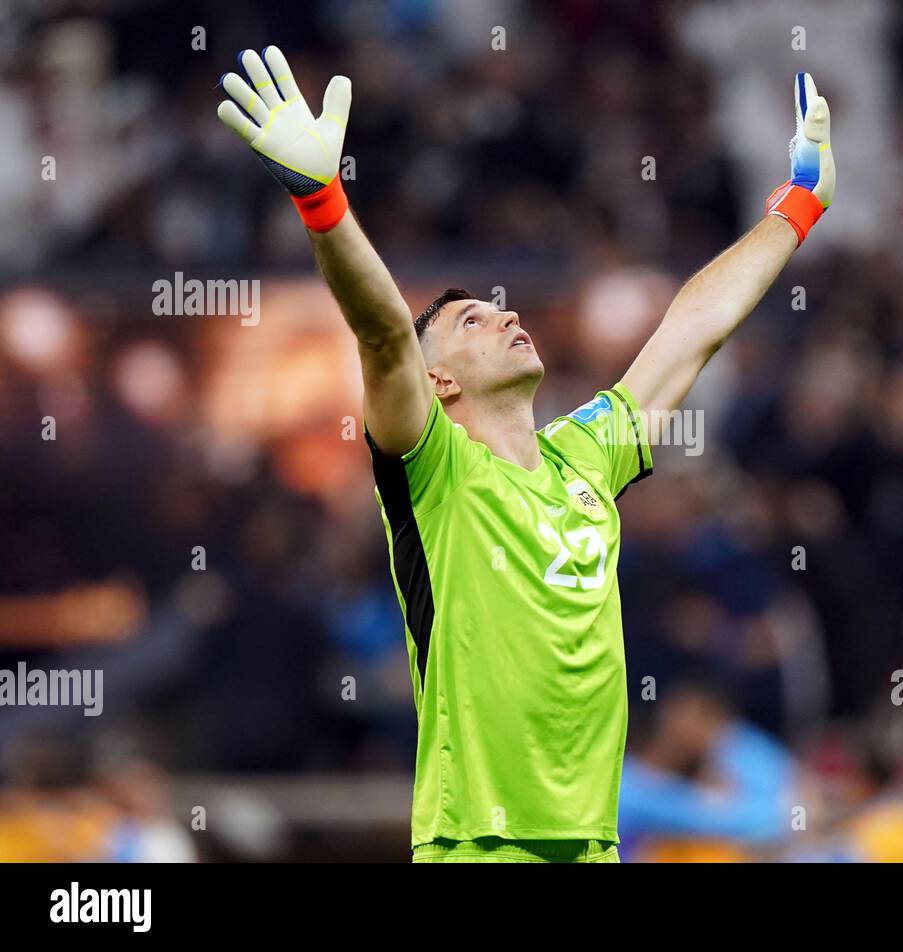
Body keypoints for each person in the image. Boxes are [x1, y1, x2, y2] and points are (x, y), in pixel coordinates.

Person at [214, 46, 836, 862]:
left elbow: (691, 331)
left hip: (595, 848)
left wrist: (797, 206)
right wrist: (323, 203)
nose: (503, 317)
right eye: (470, 321)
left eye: (497, 308)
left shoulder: (586, 458)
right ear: (437, 383)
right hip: (480, 847)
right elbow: (381, 331)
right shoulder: (433, 470)